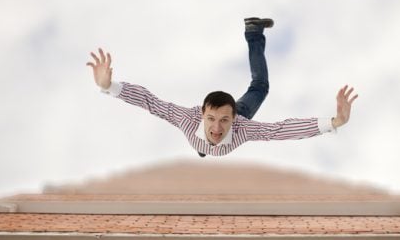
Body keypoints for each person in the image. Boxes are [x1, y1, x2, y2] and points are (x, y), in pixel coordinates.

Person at [87, 17, 358, 157]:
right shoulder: (186, 119)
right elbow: (150, 102)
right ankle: (203, 150)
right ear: (202, 114)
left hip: (239, 112)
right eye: (212, 120)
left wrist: (333, 122)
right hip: (201, 135)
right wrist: (110, 86)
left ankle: (254, 32)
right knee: (205, 143)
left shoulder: (242, 126)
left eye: (224, 121)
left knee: (259, 86)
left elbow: (280, 131)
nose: (217, 128)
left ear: (234, 120)